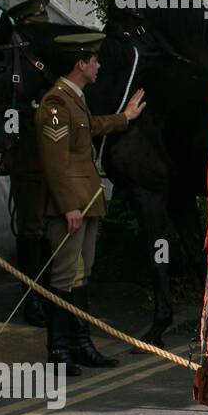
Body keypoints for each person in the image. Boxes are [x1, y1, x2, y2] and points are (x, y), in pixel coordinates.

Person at [34, 32, 146, 374]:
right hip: (71, 206)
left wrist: (124, 117)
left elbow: (89, 127)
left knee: (81, 275)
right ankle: (58, 350)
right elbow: (54, 162)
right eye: (94, 60)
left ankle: (81, 344)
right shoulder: (55, 104)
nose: (99, 65)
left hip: (87, 201)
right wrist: (69, 205)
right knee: (65, 276)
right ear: (80, 63)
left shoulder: (73, 99)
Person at [0, 0, 53, 327]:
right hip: (29, 159)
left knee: (54, 230)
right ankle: (31, 297)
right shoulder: (13, 65)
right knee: (32, 229)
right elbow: (4, 112)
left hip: (57, 159)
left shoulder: (48, 63)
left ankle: (50, 294)